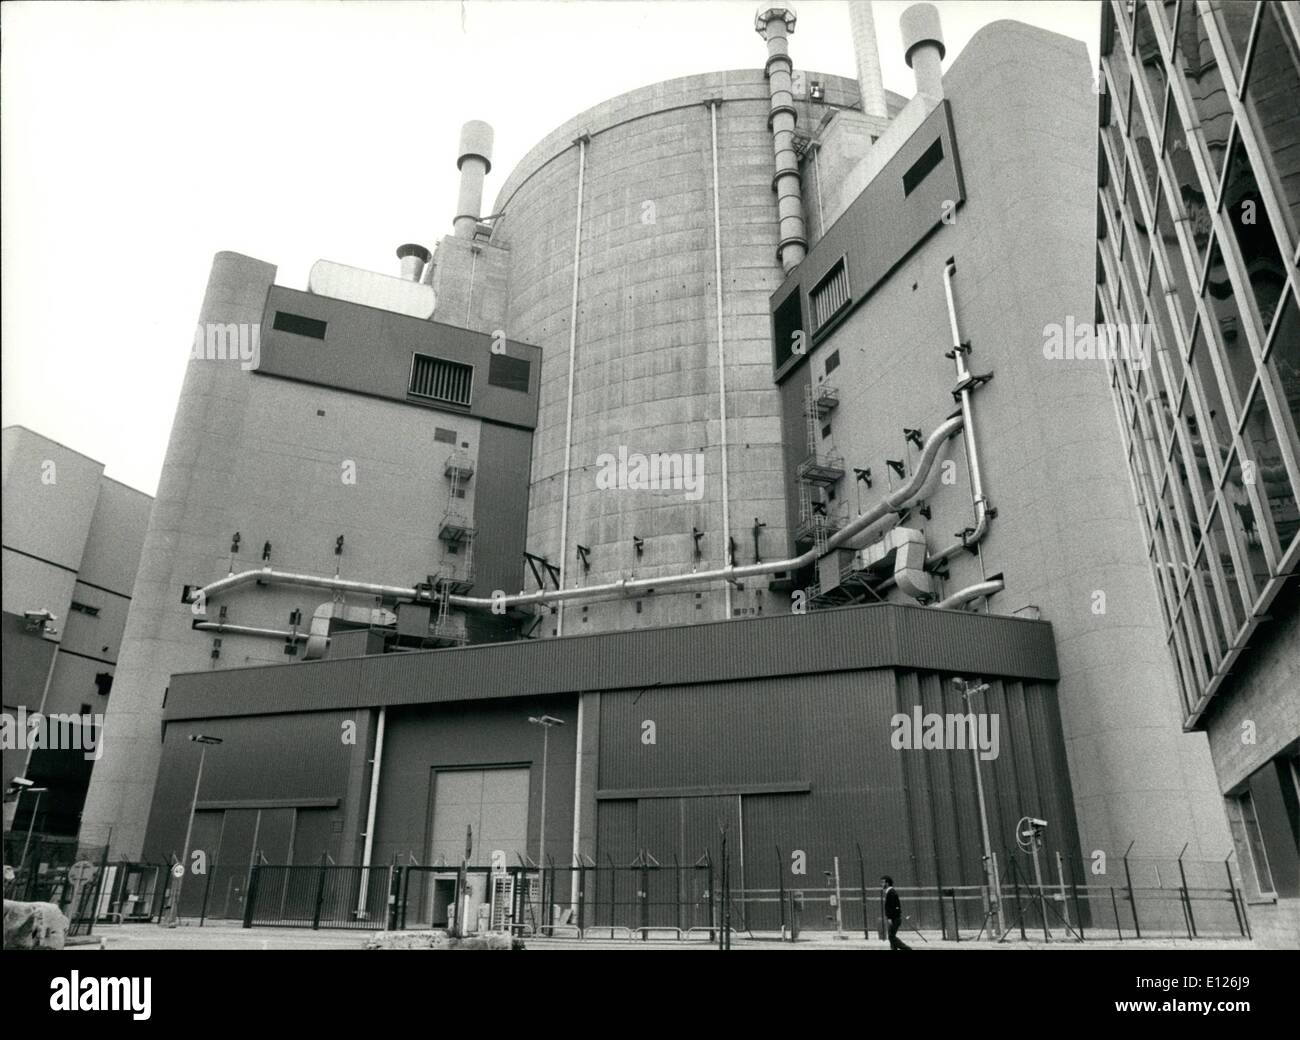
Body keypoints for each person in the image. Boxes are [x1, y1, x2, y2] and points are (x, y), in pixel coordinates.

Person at [881, 875, 911, 950]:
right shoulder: (891, 892)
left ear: (887, 883)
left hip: (894, 918)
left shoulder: (891, 893)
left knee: (891, 937)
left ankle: (906, 948)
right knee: (891, 936)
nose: (881, 884)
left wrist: (890, 918)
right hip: (895, 918)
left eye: (882, 882)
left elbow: (893, 907)